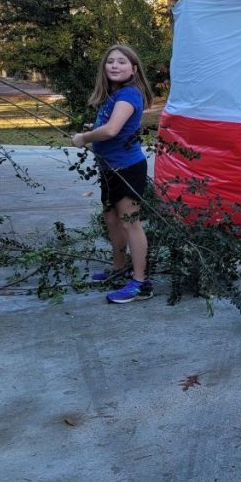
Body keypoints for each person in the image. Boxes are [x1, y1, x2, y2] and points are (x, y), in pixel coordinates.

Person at [71, 44, 155, 304]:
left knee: (130, 222)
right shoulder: (115, 95)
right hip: (110, 168)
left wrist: (84, 137)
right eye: (110, 62)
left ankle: (140, 284)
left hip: (127, 169)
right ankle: (119, 268)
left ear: (134, 68)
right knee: (112, 218)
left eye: (121, 62)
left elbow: (111, 131)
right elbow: (108, 126)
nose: (115, 66)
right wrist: (93, 128)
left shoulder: (129, 95)